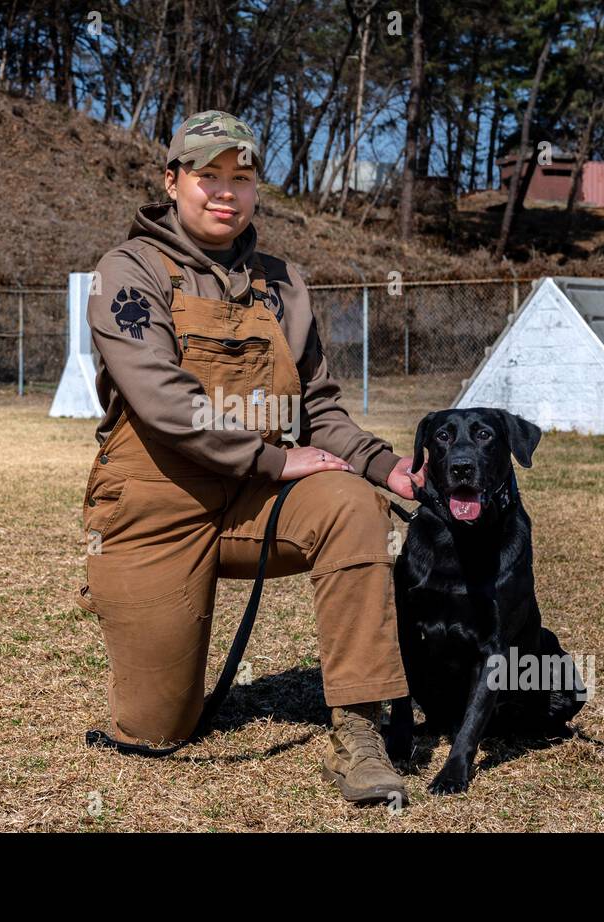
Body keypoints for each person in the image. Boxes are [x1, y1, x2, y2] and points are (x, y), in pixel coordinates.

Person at [76, 109, 423, 805]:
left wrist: (387, 467)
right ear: (172, 182)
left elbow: (317, 407)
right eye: (208, 177)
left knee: (353, 503)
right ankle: (128, 601)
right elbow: (164, 401)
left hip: (252, 502)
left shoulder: (285, 284)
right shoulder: (127, 271)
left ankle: (361, 734)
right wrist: (274, 461)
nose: (225, 192)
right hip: (155, 503)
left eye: (241, 178)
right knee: (156, 729)